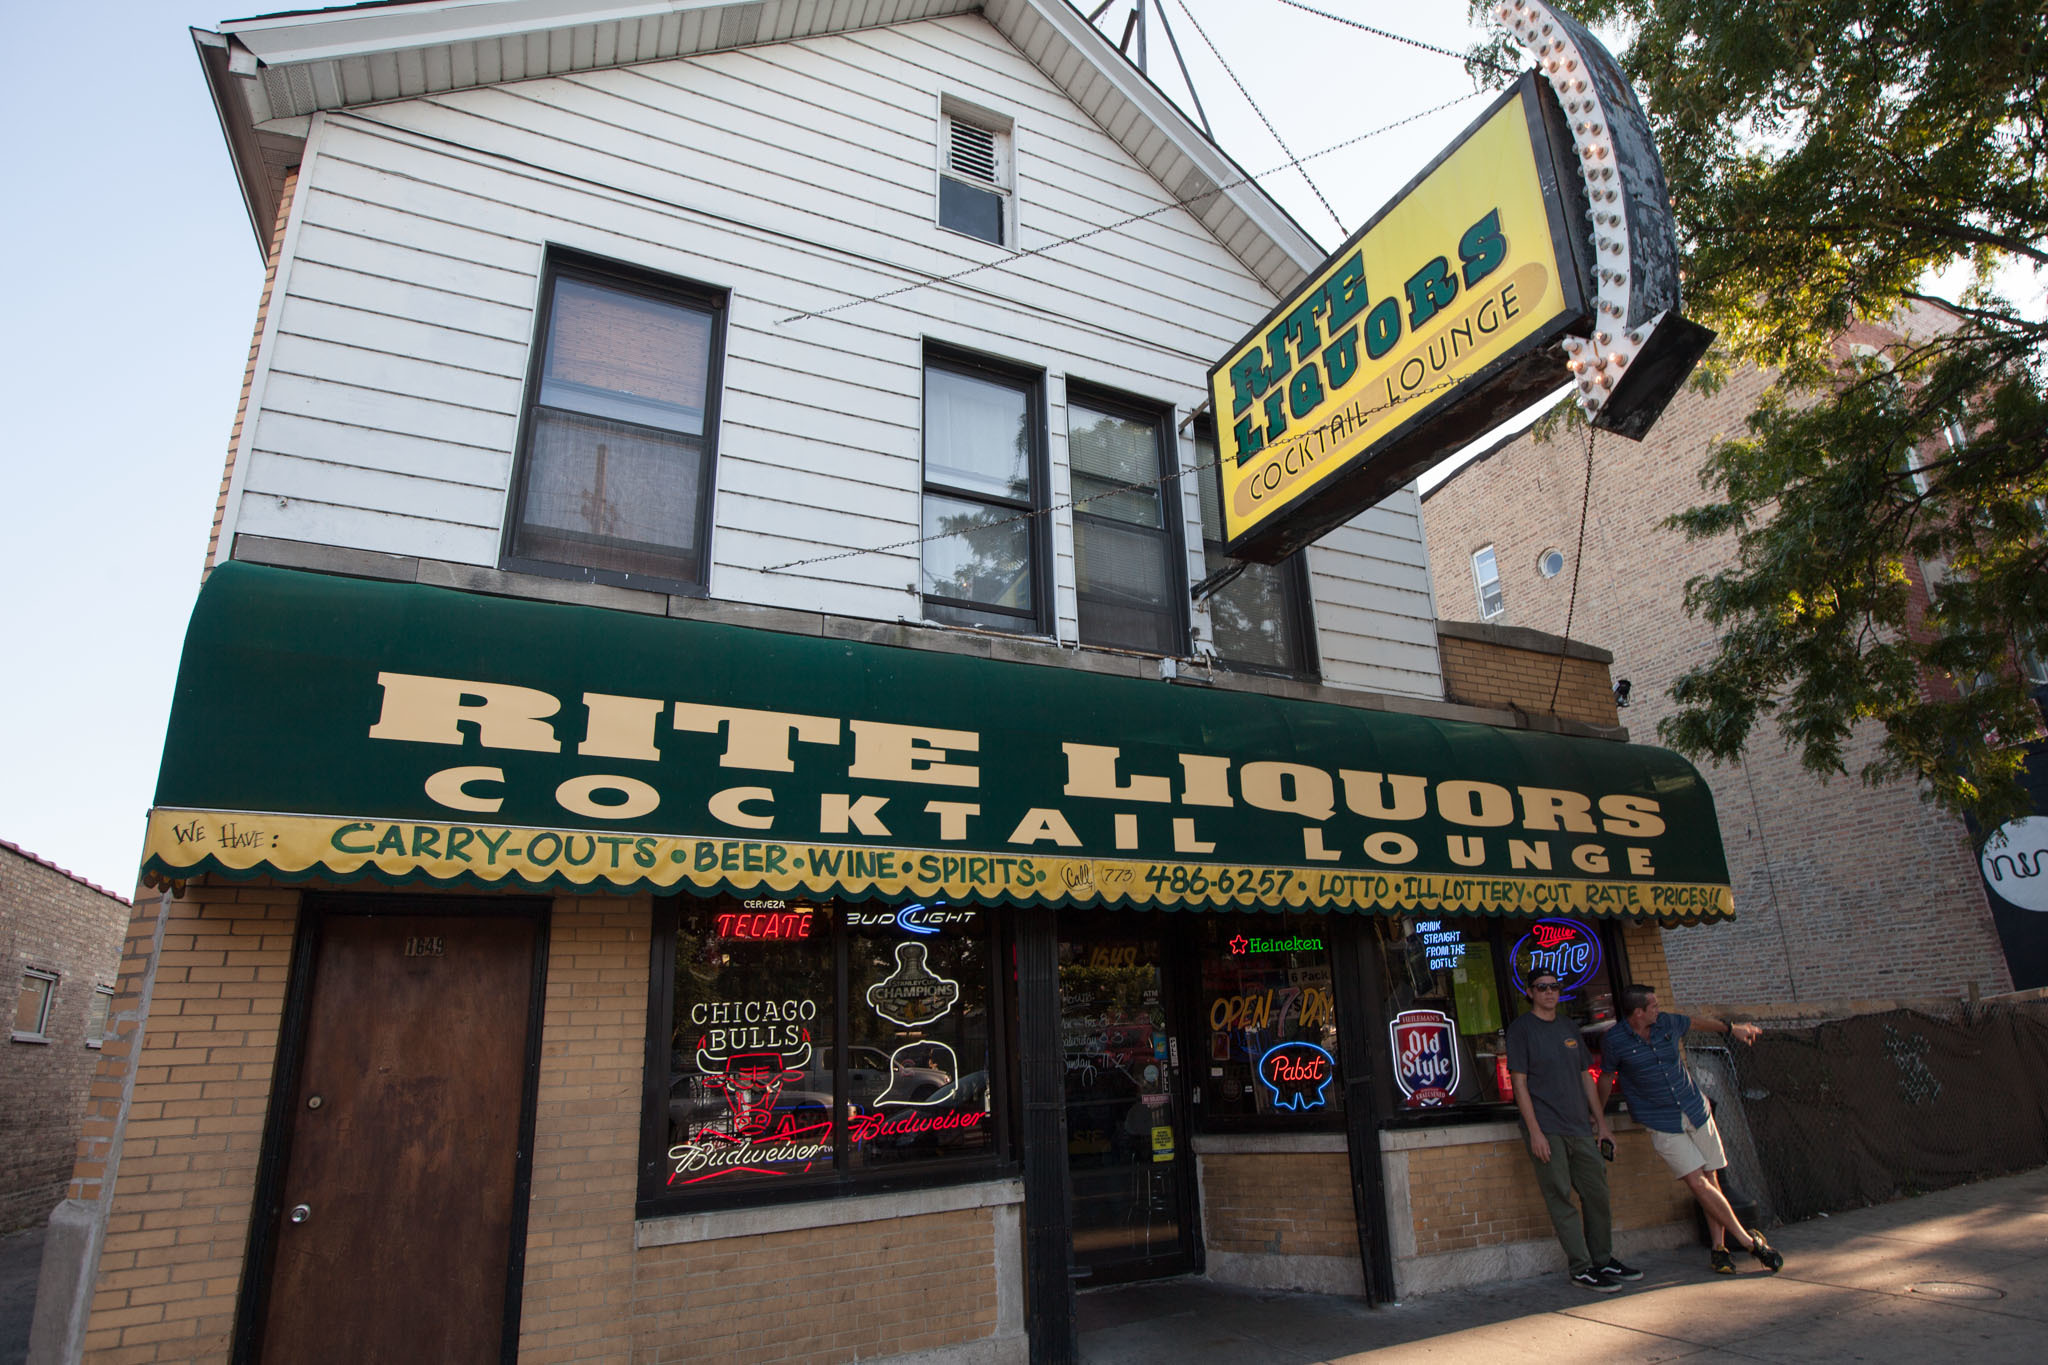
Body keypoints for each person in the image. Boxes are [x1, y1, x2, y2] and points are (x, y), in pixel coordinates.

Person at [1599, 983, 1785, 1275]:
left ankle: (1719, 1248)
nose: (1659, 1010)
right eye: (1654, 1006)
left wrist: (1731, 1028)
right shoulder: (1615, 1040)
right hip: (1661, 1121)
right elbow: (1606, 1078)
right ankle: (1748, 1241)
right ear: (1638, 1013)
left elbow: (1695, 1022)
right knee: (1697, 1183)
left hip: (1695, 1109)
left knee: (1711, 1179)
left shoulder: (1667, 1023)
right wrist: (1599, 1121)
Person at [1507, 968, 1640, 1292]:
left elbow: (1586, 1077)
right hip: (1546, 1128)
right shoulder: (1521, 1030)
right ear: (1530, 992)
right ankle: (1581, 1267)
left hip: (1579, 1125)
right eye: (1542, 988)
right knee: (1561, 1197)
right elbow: (1519, 1084)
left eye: (1554, 987)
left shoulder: (1568, 1028)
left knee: (1596, 1193)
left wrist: (1602, 1124)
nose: (1550, 993)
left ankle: (1603, 1259)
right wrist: (1535, 1132)